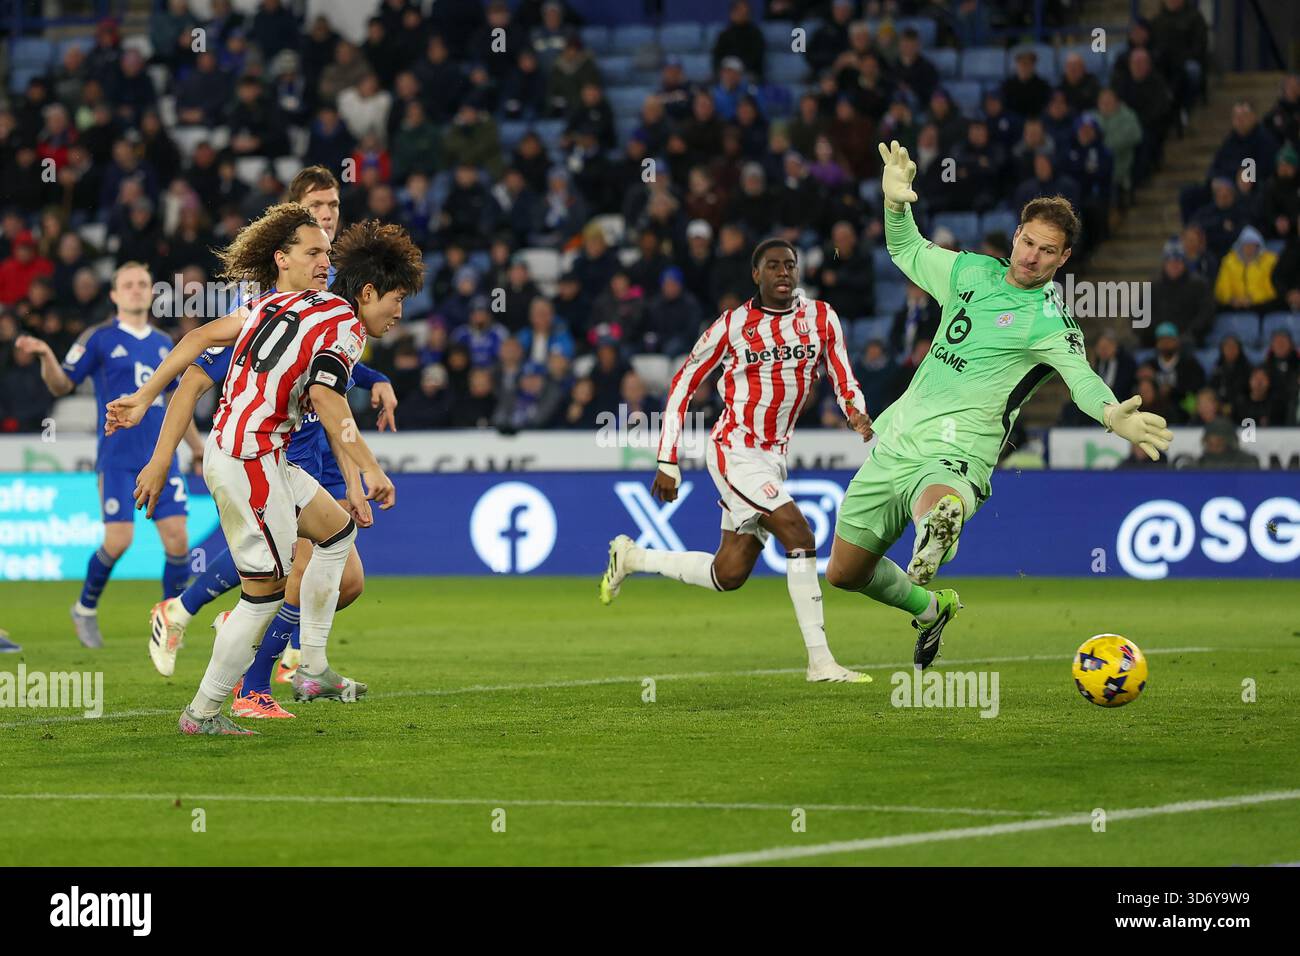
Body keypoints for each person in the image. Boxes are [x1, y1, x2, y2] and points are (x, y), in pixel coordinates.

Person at [824, 142, 1172, 670]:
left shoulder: (1050, 321)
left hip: (961, 446)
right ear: (1016, 235)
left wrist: (1110, 413)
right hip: (897, 436)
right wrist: (895, 204)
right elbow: (907, 250)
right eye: (1027, 241)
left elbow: (1080, 378)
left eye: (1046, 250)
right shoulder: (969, 271)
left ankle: (937, 527)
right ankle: (930, 606)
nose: (1031, 256)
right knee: (844, 573)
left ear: (1064, 259)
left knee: (938, 499)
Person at [106, 208, 422, 735]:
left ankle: (313, 664)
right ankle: (203, 711)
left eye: (327, 252)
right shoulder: (342, 324)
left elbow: (197, 338)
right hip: (248, 460)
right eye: (397, 301)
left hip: (260, 456)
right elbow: (325, 397)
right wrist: (371, 468)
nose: (399, 314)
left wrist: (142, 397)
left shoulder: (279, 303)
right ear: (369, 293)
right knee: (266, 593)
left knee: (336, 529)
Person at [600, 240, 875, 685]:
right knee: (799, 533)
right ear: (756, 275)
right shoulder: (732, 325)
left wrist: (855, 410)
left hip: (773, 457)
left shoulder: (822, 318)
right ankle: (820, 662)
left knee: (728, 573)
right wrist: (668, 458)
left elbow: (844, 377)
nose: (784, 273)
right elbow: (683, 382)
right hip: (734, 448)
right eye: (773, 266)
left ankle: (632, 558)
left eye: (790, 265)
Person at [15, 262, 204, 648]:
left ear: (151, 292)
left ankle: (168, 623)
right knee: (118, 540)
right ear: (115, 294)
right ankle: (84, 608)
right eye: (127, 285)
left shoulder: (166, 344)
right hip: (118, 457)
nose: (136, 290)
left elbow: (177, 404)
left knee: (178, 541)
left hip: (159, 457)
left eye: (142, 284)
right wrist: (46, 356)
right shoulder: (99, 338)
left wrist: (199, 450)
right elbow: (62, 384)